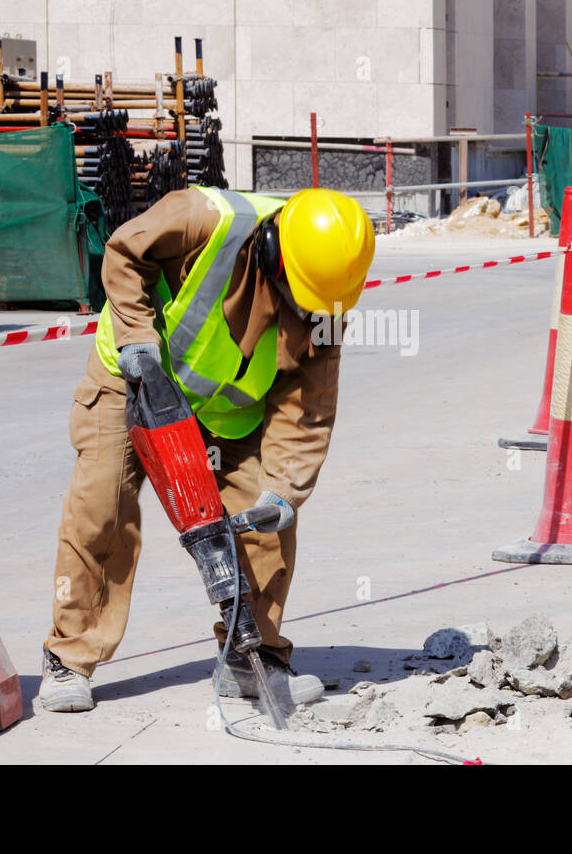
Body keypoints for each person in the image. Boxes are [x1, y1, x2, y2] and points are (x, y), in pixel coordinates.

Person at [38, 185, 375, 712]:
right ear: (271, 249)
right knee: (101, 508)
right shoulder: (206, 219)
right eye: (292, 292)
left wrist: (283, 491)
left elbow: (307, 408)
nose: (296, 309)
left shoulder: (324, 304)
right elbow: (125, 251)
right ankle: (68, 658)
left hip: (226, 414)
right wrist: (134, 338)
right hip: (132, 378)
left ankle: (251, 656)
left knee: (265, 522)